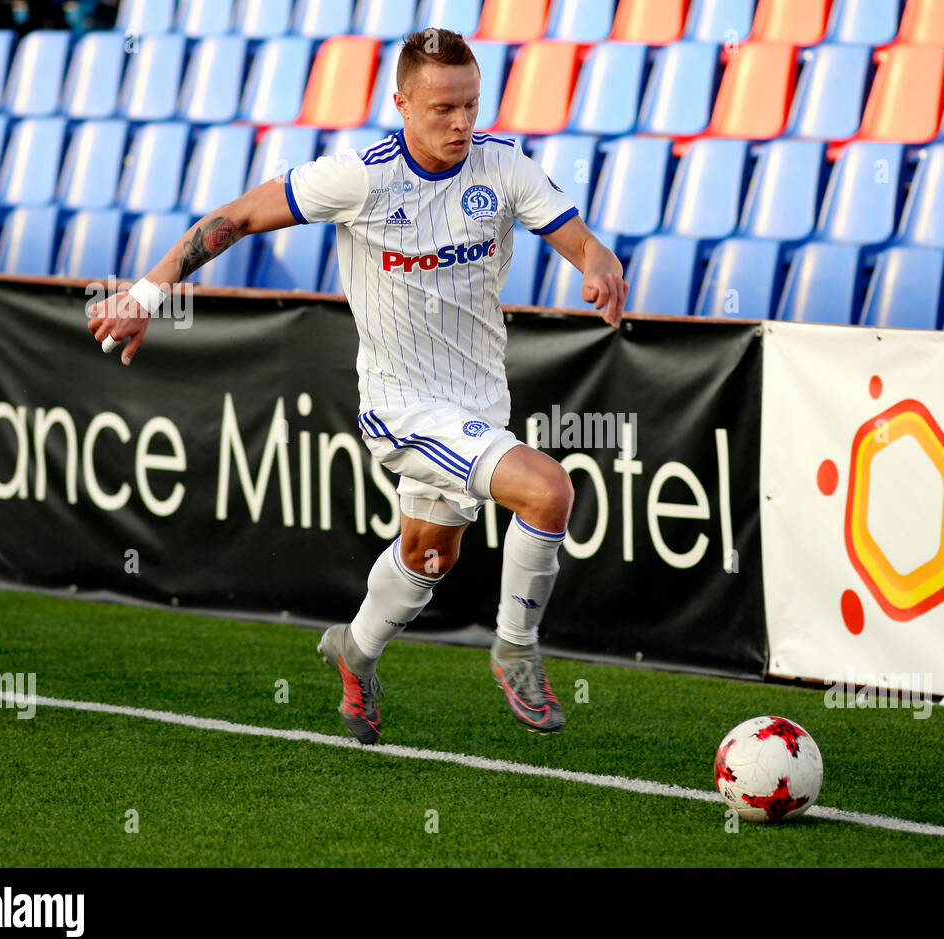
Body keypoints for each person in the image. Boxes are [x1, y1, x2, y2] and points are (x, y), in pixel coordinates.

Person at [87, 28, 629, 743]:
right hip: (403, 407)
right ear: (400, 102)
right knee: (548, 489)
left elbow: (579, 239)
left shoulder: (503, 167)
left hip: (478, 401)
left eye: (470, 104)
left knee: (428, 553)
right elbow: (237, 217)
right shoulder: (361, 178)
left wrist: (599, 261)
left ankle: (355, 649)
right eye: (442, 108)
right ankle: (516, 649)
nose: (461, 122)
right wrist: (146, 297)